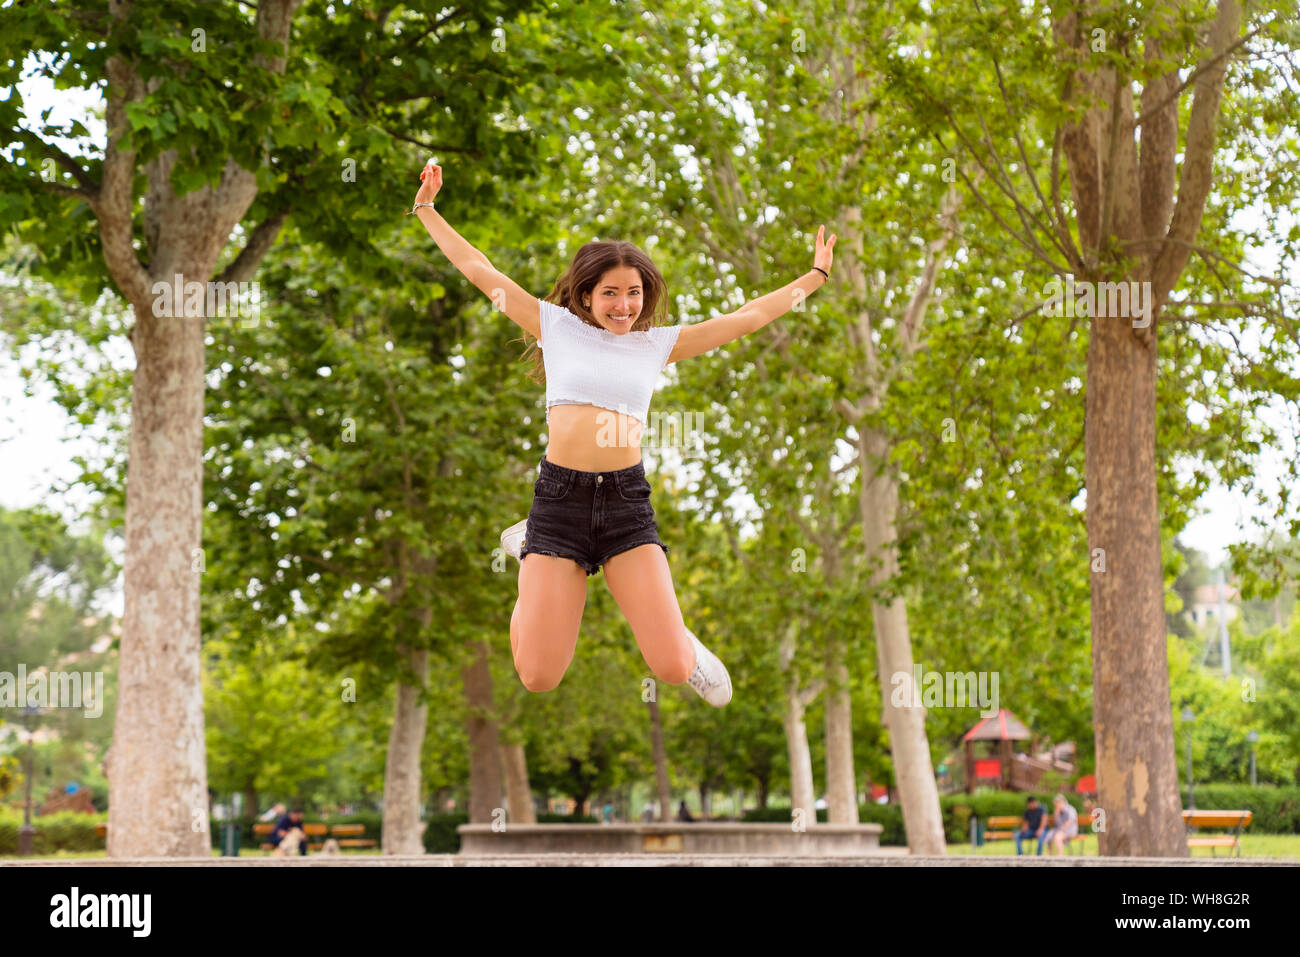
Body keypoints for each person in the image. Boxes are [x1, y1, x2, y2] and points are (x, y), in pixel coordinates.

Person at [410, 161, 837, 709]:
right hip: (559, 502)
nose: (624, 305)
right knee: (538, 676)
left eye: (634, 293)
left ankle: (687, 644)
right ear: (586, 294)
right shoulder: (553, 326)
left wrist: (814, 277)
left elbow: (747, 317)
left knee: (674, 668)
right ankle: (529, 551)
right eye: (610, 292)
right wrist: (426, 209)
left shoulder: (655, 344)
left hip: (624, 503)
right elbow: (478, 268)